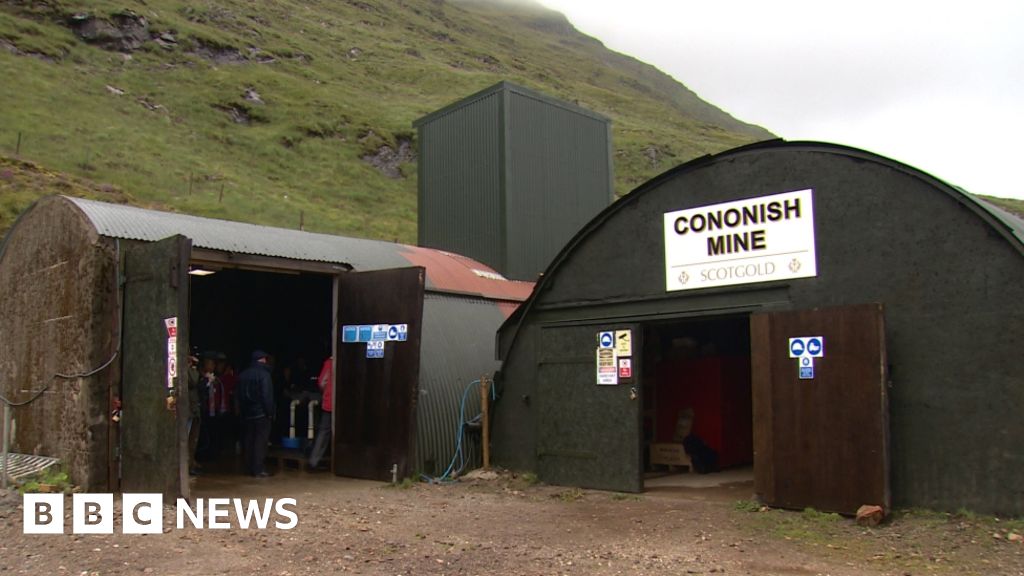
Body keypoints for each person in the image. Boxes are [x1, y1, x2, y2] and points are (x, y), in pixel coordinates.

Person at [239, 350, 275, 477]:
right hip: (261, 413)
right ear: (262, 360)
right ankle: (258, 469)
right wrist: (269, 412)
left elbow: (239, 396)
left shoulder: (243, 375)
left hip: (247, 413)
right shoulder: (265, 375)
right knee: (261, 441)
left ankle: (248, 467)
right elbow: (267, 396)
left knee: (249, 440)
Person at [308, 356, 333, 470]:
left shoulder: (329, 363)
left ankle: (314, 461)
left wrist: (327, 392)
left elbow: (322, 382)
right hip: (342, 404)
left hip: (329, 402)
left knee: (323, 432)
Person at [186, 351, 202, 476]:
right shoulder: (186, 370)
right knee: (186, 440)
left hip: (193, 409)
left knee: (192, 439)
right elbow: (193, 381)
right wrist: (192, 367)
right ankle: (187, 465)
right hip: (187, 410)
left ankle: (190, 463)